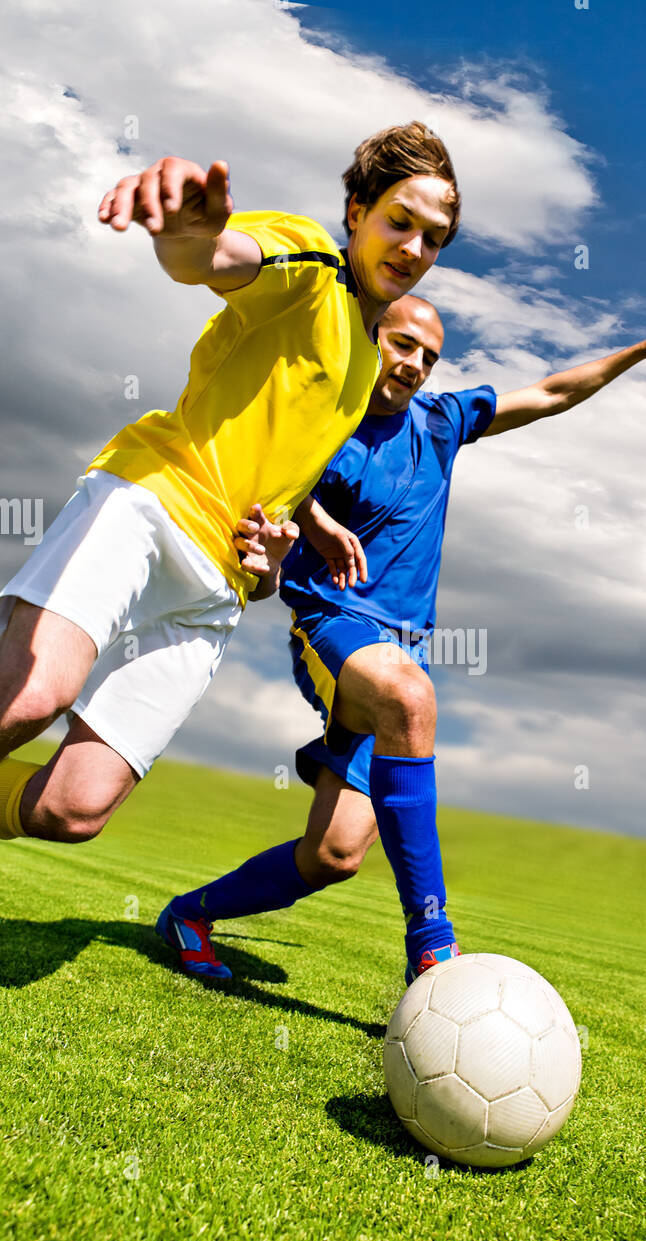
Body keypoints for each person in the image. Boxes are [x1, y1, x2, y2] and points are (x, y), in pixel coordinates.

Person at [159, 294, 646, 983]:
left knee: (333, 854)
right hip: (332, 627)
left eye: (429, 355)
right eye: (403, 344)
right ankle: (433, 944)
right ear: (368, 341)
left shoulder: (442, 423)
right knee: (412, 699)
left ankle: (189, 914)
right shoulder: (317, 430)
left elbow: (552, 391)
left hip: (402, 647)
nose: (415, 364)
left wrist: (643, 351)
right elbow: (260, 504)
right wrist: (311, 522)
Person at [0, 123, 460, 855]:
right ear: (357, 214)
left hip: (216, 589)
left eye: (432, 238)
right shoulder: (311, 263)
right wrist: (185, 228)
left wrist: (286, 544)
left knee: (72, 808)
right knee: (30, 697)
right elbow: (213, 256)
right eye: (398, 222)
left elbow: (279, 472)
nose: (412, 248)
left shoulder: (364, 373)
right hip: (152, 503)